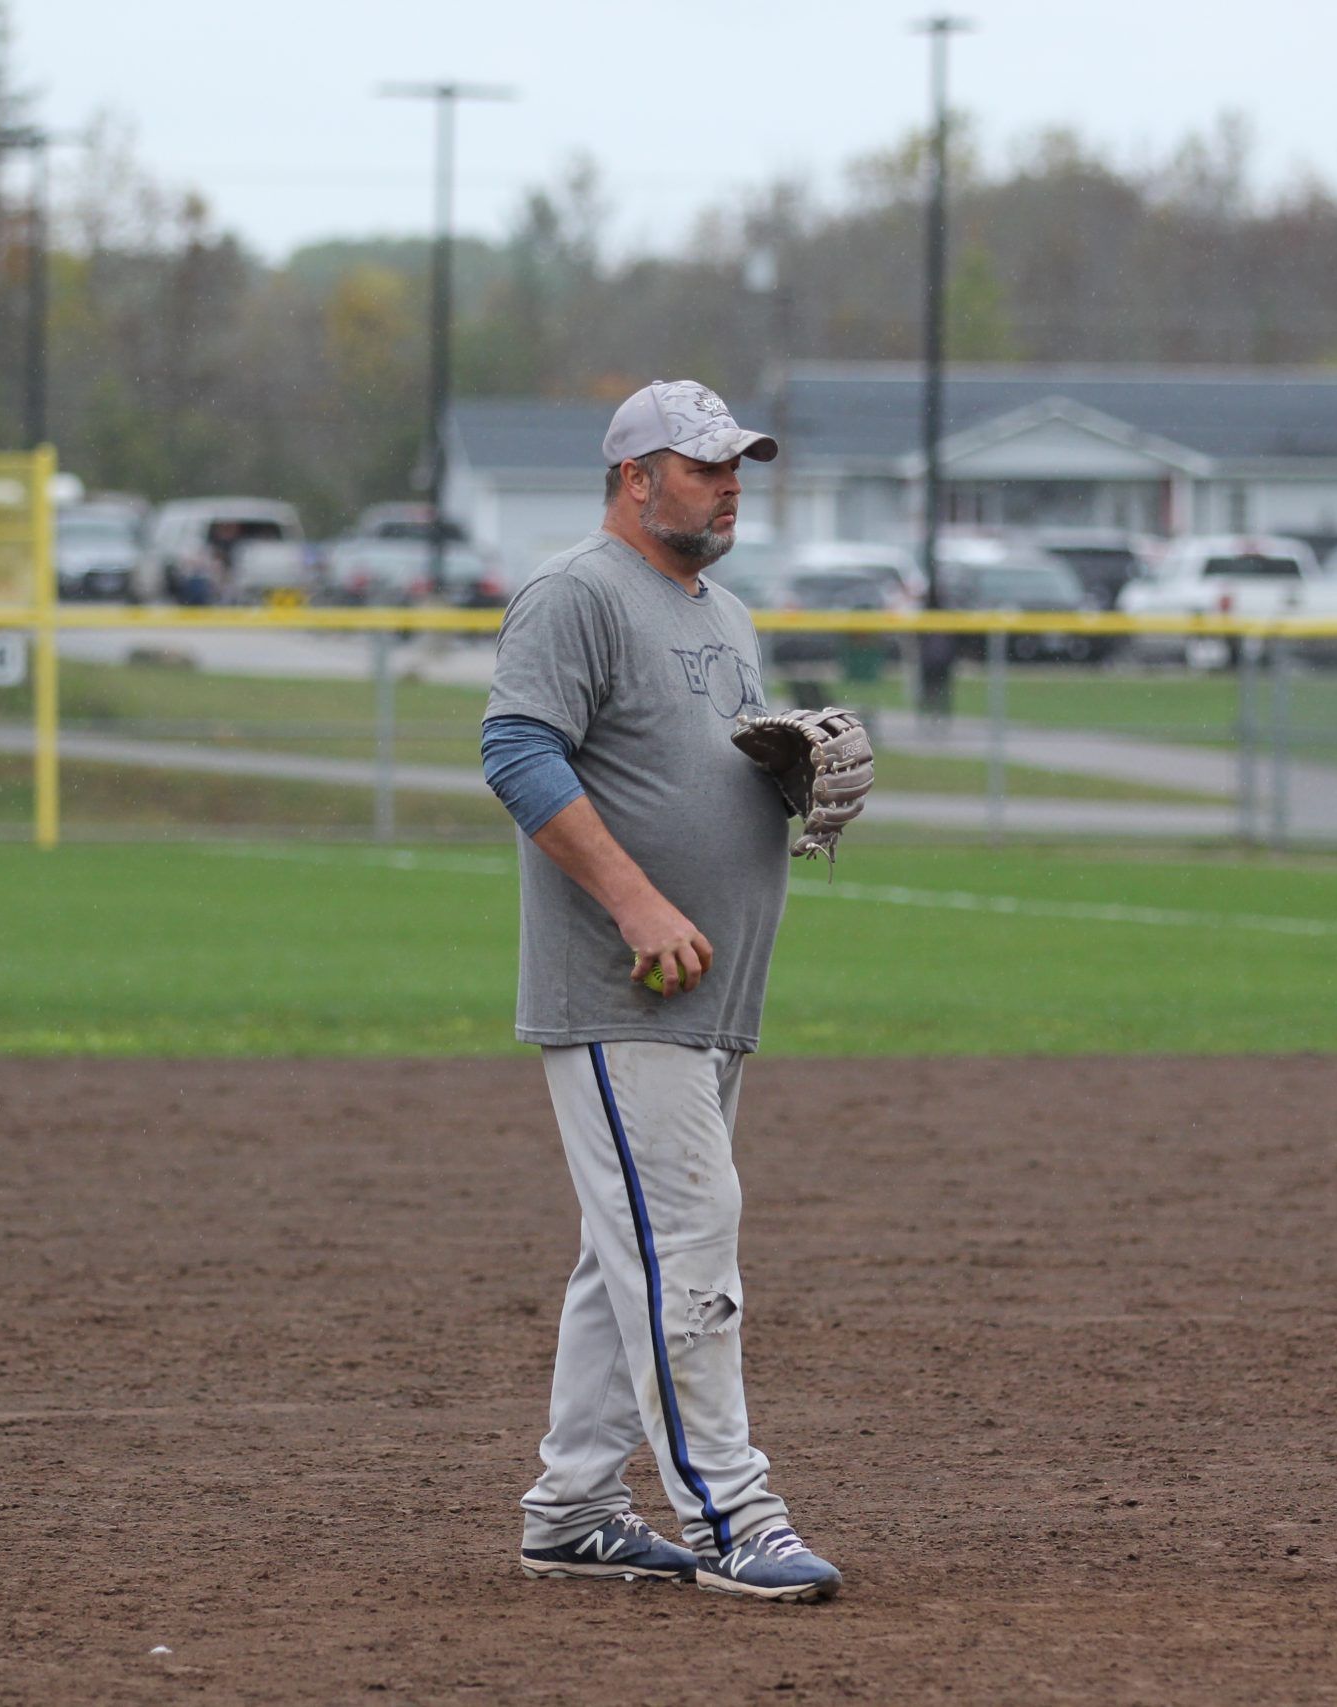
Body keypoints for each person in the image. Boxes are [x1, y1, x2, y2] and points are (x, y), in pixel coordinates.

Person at [478, 379, 843, 1604]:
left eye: (738, 462)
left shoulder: (723, 613)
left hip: (710, 993)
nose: (730, 481)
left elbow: (687, 766)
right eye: (703, 465)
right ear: (635, 478)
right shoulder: (576, 593)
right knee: (686, 1243)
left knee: (624, 1253)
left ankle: (574, 1508)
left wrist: (780, 777)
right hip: (618, 990)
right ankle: (734, 1514)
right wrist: (636, 900)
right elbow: (517, 751)